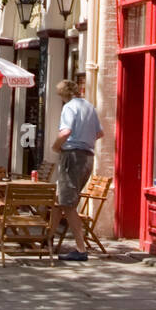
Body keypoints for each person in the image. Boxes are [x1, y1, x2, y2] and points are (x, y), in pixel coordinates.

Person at [51, 78, 103, 262]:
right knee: (61, 198)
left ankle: (81, 249)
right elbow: (99, 133)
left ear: (64, 95)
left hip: (72, 156)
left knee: (68, 204)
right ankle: (47, 239)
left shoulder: (69, 107)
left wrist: (56, 147)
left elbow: (65, 132)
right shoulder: (89, 107)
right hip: (87, 158)